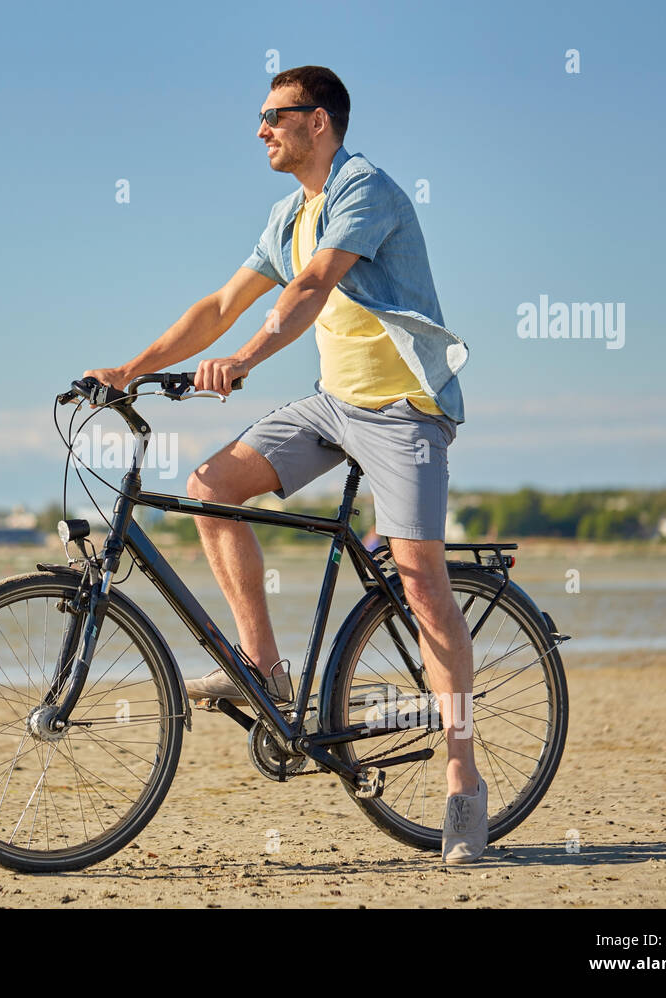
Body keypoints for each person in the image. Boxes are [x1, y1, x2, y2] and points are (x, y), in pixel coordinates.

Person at [84, 66, 485, 864]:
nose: (261, 129)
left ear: (321, 123)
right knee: (209, 486)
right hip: (336, 405)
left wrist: (245, 360)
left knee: (423, 586)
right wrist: (127, 369)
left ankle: (463, 782)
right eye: (261, 117)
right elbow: (217, 306)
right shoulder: (287, 213)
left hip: (406, 411)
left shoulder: (362, 189)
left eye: (275, 116)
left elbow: (309, 289)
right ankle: (263, 671)